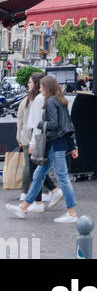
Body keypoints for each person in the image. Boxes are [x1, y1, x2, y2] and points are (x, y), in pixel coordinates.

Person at [11, 75, 80, 223]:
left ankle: (72, 212)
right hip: (56, 144)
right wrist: (74, 145)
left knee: (61, 177)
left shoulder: (49, 102)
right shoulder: (61, 101)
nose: (40, 89)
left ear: (47, 88)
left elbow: (54, 125)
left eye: (42, 86)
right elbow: (68, 124)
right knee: (38, 174)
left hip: (54, 145)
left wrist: (41, 124)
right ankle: (23, 208)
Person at [10, 71, 61, 212]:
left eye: (30, 82)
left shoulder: (36, 100)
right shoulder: (41, 99)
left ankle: (39, 198)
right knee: (38, 171)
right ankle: (38, 200)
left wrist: (28, 140)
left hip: (35, 140)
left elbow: (35, 124)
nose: (28, 84)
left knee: (36, 170)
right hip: (38, 139)